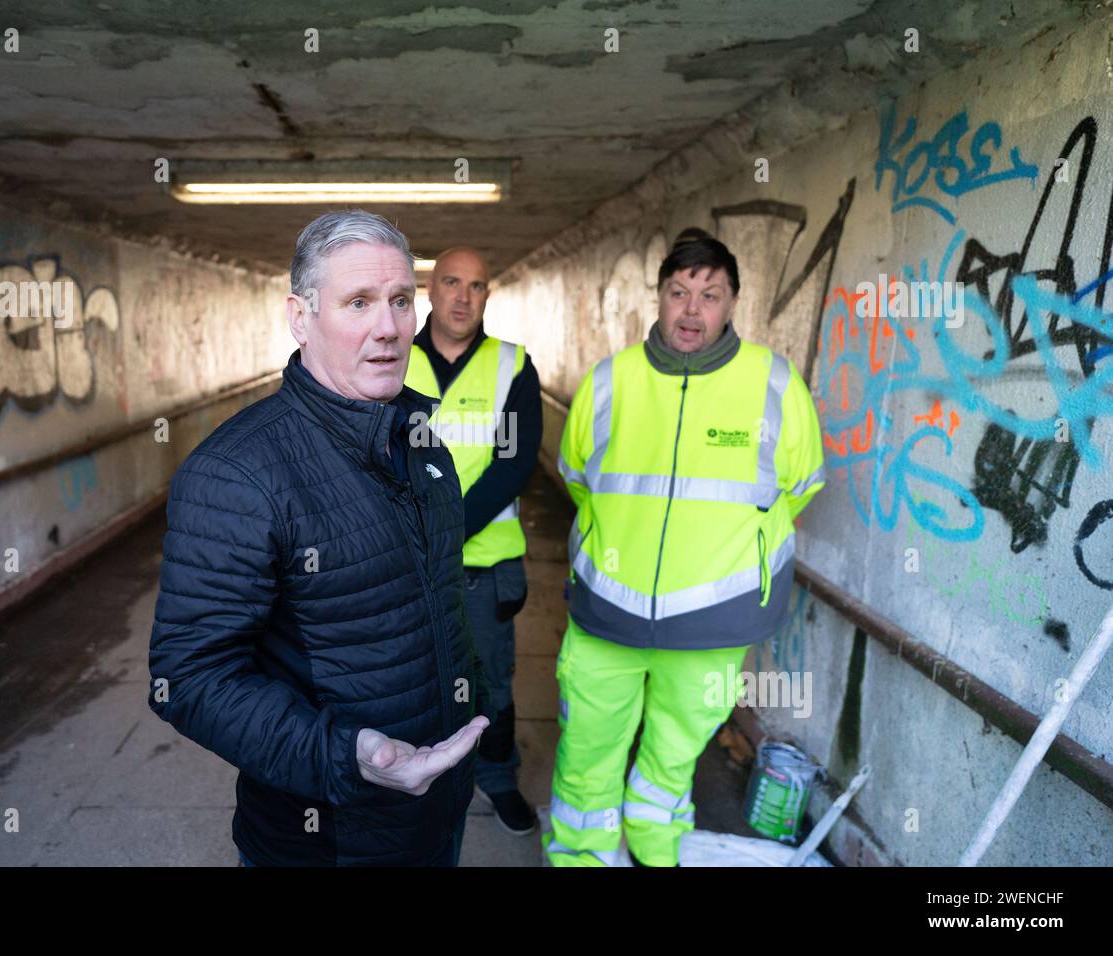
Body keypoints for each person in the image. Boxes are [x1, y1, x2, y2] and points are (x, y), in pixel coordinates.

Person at [148, 210, 488, 867]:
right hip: (324, 840)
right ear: (300, 317)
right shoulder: (237, 473)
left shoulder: (422, 443)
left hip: (435, 812)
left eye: (399, 301)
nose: (388, 328)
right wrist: (352, 756)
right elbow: (188, 676)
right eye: (357, 303)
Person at [546, 228, 826, 866]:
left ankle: (654, 853)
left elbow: (800, 488)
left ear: (732, 305)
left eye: (711, 294)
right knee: (586, 754)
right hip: (606, 614)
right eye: (679, 292)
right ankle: (578, 860)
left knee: (671, 762)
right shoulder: (611, 380)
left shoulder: (775, 387)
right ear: (661, 298)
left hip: (713, 619)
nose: (692, 310)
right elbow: (578, 477)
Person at [404, 247, 542, 835]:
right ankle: (410, 774)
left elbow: (513, 465)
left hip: (482, 566)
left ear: (489, 296)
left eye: (477, 286)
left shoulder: (512, 365)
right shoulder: (390, 359)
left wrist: (447, 531)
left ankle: (498, 775)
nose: (463, 296)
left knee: (489, 679)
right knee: (402, 672)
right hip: (403, 560)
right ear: (429, 291)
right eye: (451, 282)